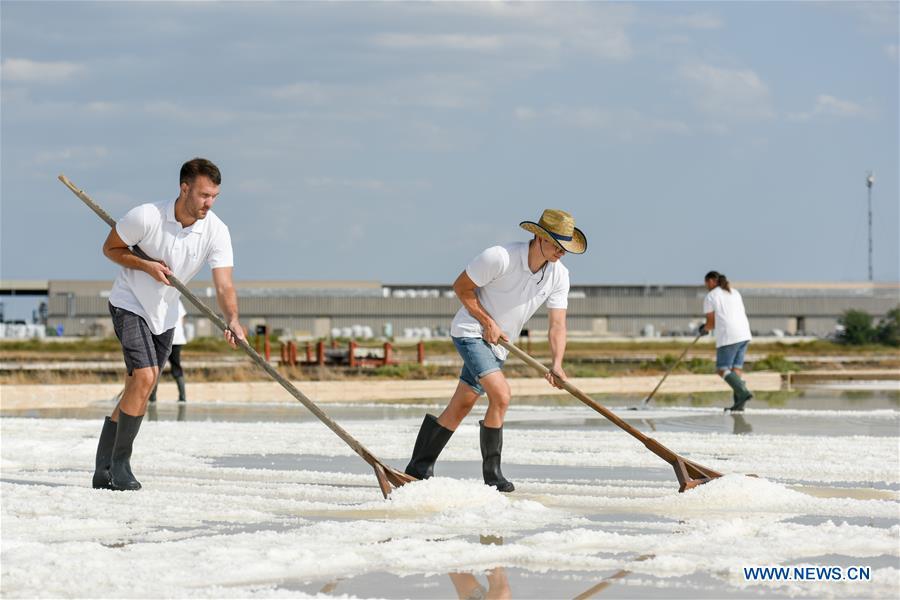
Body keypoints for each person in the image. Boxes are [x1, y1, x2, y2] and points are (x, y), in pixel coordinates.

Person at [404, 209, 586, 492]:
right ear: (539, 237)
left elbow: (557, 325)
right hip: (471, 333)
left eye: (566, 247)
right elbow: (462, 287)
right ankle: (493, 475)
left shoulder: (559, 275)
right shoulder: (500, 257)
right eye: (556, 245)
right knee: (501, 395)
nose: (561, 252)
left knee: (462, 405)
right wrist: (487, 321)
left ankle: (418, 467)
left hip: (500, 346)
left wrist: (557, 363)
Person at [92, 157, 245, 491]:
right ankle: (120, 466)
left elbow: (224, 285)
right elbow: (111, 248)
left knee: (140, 386)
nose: (210, 203)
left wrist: (232, 318)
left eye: (215, 196)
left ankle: (102, 468)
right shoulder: (146, 216)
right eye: (204, 195)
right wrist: (146, 266)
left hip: (166, 315)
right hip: (129, 302)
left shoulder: (216, 231)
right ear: (184, 188)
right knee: (145, 377)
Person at [700, 271, 753, 412]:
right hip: (744, 333)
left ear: (711, 281)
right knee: (736, 369)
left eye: (706, 282)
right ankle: (738, 404)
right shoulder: (734, 292)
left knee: (722, 369)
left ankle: (744, 393)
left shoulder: (711, 296)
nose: (706, 286)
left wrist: (704, 329)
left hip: (729, 335)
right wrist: (707, 327)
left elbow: (711, 323)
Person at [148, 299, 188, 404]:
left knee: (156, 367)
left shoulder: (161, 300)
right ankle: (182, 396)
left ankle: (152, 397)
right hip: (178, 338)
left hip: (164, 339)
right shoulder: (178, 301)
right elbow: (183, 319)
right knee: (176, 365)